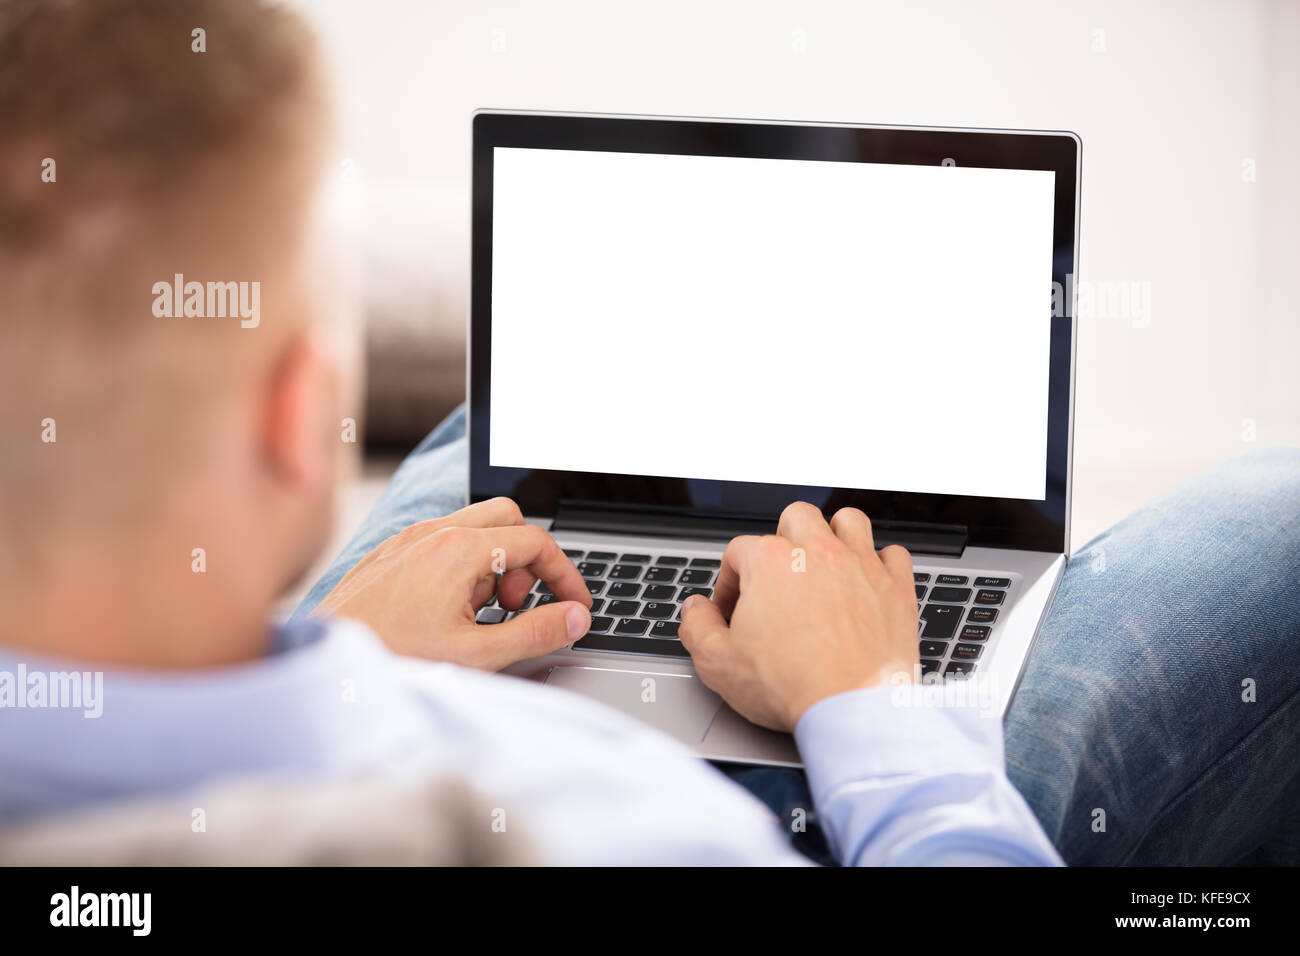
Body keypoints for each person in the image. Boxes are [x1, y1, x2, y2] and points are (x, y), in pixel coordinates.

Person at [2, 0, 1296, 866]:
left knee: (500, 467)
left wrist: (347, 652)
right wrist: (875, 710)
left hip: (329, 683)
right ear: (302, 421)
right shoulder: (632, 831)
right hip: (824, 779)